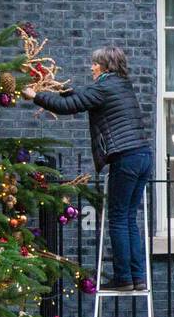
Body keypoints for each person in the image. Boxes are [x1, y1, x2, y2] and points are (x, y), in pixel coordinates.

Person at [24, 46, 151, 292]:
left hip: (125, 158)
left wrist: (35, 96)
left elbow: (69, 106)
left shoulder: (103, 87)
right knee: (129, 219)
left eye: (94, 63)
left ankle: (123, 278)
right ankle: (137, 277)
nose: (91, 67)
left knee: (117, 218)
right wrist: (65, 91)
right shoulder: (121, 85)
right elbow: (81, 96)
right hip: (143, 156)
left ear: (104, 65)